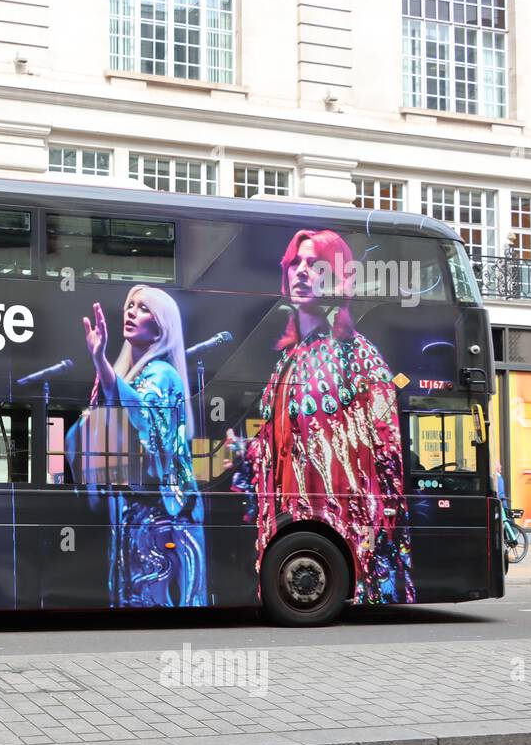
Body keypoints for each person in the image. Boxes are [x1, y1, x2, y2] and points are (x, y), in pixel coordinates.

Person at [244, 228, 412, 604]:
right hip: (289, 514)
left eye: (316, 264)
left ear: (339, 277)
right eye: (295, 263)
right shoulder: (287, 359)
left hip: (345, 523)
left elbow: (387, 449)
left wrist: (378, 526)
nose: (301, 271)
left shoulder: (360, 355)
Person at [74, 285, 206, 608]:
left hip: (164, 523)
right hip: (135, 520)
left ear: (161, 327)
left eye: (143, 308)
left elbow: (140, 417)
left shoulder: (162, 375)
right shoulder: (130, 376)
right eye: (130, 305)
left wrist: (100, 361)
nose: (131, 311)